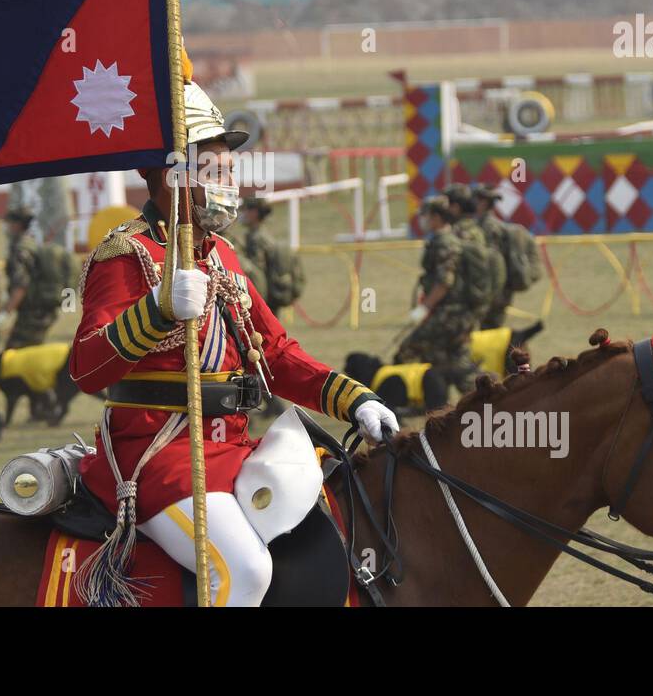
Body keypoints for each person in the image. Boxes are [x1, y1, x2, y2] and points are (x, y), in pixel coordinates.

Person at [70, 80, 396, 607]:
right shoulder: (127, 255)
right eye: (214, 171)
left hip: (233, 447)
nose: (229, 183)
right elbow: (87, 368)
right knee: (242, 572)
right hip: (159, 458)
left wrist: (355, 399)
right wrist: (156, 310)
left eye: (229, 170)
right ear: (172, 176)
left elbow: (276, 354)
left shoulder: (220, 253)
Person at [396, 195, 479, 408]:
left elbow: (445, 281)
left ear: (436, 217)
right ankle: (477, 401)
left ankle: (404, 402)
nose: (422, 220)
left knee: (408, 350)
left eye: (425, 215)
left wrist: (424, 308)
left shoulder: (445, 243)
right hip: (455, 315)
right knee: (452, 363)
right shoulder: (443, 239)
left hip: (449, 314)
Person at [0, 205, 59, 350]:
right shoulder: (30, 243)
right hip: (38, 310)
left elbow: (21, 285)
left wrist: (5, 313)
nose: (6, 227)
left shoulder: (21, 249)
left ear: (17, 225)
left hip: (34, 313)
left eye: (9, 223)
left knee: (14, 354)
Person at [471, 185, 514, 329]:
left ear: (483, 202)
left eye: (476, 200)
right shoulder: (485, 224)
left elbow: (492, 263)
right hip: (494, 290)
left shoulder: (489, 227)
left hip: (495, 291)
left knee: (490, 333)